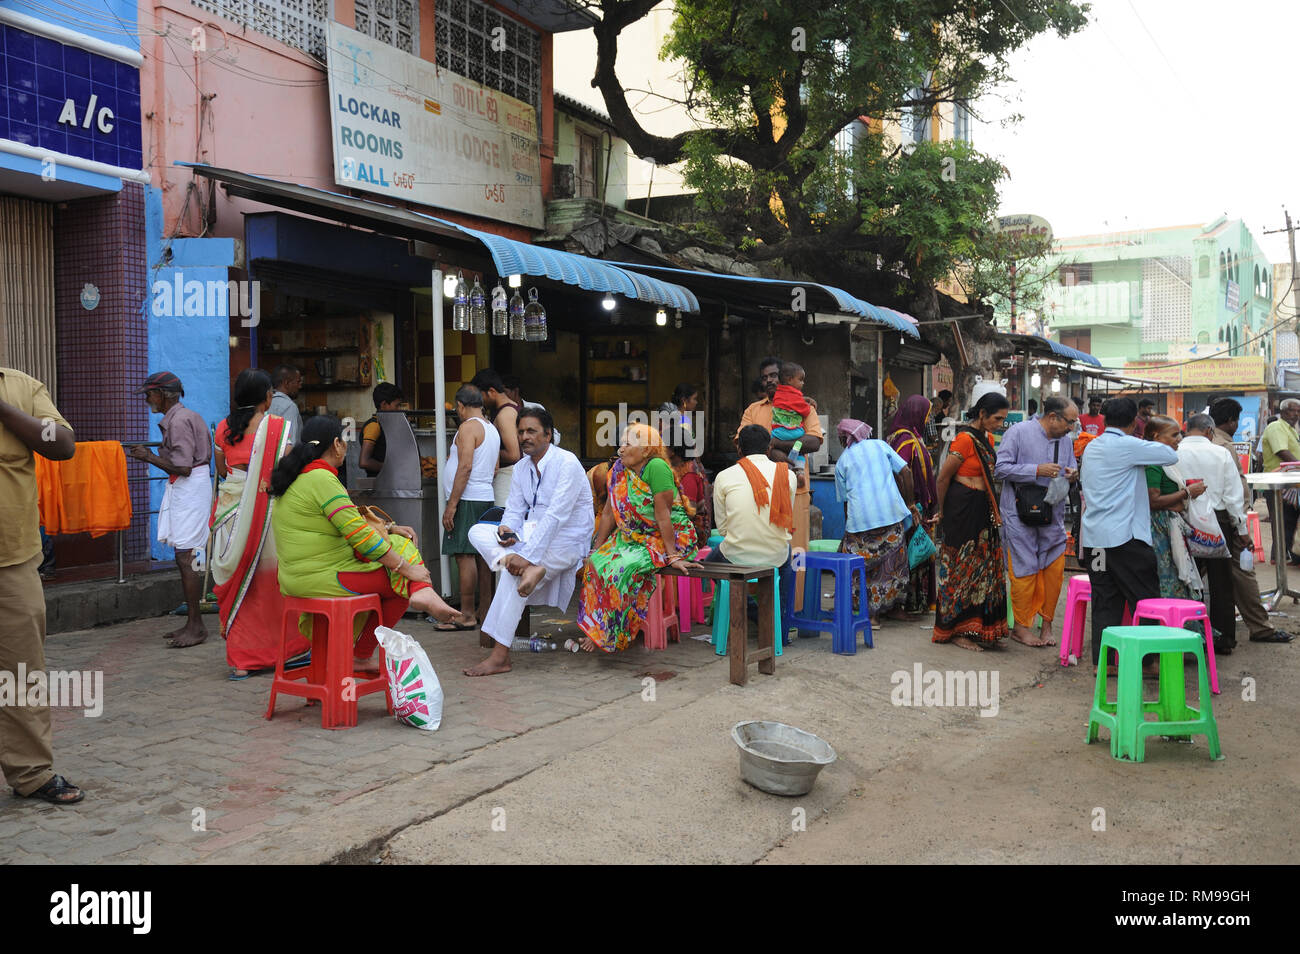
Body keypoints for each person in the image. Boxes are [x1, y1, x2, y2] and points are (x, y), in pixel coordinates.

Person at [270, 415, 458, 669]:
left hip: (297, 577)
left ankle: (420, 593)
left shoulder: (300, 477)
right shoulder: (322, 480)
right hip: (322, 577)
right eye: (344, 442)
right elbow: (362, 538)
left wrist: (389, 528)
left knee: (397, 545)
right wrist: (406, 568)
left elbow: (344, 522)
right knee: (400, 583)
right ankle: (363, 653)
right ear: (337, 444)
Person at [0, 367, 84, 805]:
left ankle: (31, 774)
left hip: (11, 562)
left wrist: (3, 410)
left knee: (20, 675)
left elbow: (63, 445)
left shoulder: (22, 387)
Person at [465, 408, 593, 675]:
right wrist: (507, 531)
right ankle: (518, 565)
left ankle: (500, 656)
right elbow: (513, 508)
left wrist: (528, 556)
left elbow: (557, 516)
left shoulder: (566, 463)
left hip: (565, 543)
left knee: (511, 579)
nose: (524, 437)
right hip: (531, 537)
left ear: (548, 434)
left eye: (531, 431)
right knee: (476, 531)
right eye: (521, 431)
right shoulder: (522, 467)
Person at [211, 369, 309, 679]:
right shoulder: (276, 429)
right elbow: (286, 471)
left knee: (239, 583)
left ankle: (241, 659)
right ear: (267, 397)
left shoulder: (223, 428)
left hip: (229, 514)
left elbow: (223, 470)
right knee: (269, 586)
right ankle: (283, 650)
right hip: (265, 514)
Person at [577, 423, 698, 652]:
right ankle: (598, 628)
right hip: (633, 536)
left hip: (667, 536)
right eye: (620, 443)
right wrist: (596, 548)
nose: (621, 449)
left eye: (628, 444)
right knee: (595, 564)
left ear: (646, 450)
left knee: (619, 569)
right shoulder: (617, 471)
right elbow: (608, 514)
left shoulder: (657, 468)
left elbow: (663, 516)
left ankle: (611, 633)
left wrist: (672, 555)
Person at [1080, 397, 1178, 672]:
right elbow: (1171, 455)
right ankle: (1148, 662)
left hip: (1095, 541)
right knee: (1146, 599)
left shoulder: (1093, 446)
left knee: (1104, 598)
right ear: (1135, 420)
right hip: (1125, 541)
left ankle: (1105, 662)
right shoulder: (1127, 445)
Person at [129, 371, 212, 649]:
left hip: (190, 486)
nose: (147, 400)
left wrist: (148, 456)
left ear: (162, 395)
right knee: (184, 556)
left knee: (185, 557)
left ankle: (197, 626)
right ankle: (193, 622)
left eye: (149, 394)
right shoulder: (185, 417)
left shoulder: (178, 421)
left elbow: (184, 467)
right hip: (192, 486)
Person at [1207, 398, 1295, 645]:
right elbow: (1232, 491)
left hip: (1212, 519)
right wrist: (1242, 526)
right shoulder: (1223, 445)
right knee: (1243, 574)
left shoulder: (1212, 441)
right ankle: (1260, 627)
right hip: (1229, 519)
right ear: (1232, 421)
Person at [994, 396, 1080, 647]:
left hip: (1052, 514)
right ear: (1053, 416)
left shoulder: (1065, 441)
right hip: (1019, 513)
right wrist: (1035, 470)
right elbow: (1000, 469)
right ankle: (1021, 627)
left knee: (1053, 569)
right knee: (1025, 568)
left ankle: (1047, 625)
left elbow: (1071, 467)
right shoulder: (1018, 433)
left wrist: (1072, 474)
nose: (1072, 427)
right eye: (1070, 421)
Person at [738, 356, 822, 605]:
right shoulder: (753, 410)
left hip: (795, 493)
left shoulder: (805, 407)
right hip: (759, 493)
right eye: (764, 378)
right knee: (760, 554)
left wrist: (779, 444)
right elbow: (742, 444)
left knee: (796, 553)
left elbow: (814, 442)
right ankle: (761, 612)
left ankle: (793, 607)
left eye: (773, 375)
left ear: (784, 378)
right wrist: (772, 449)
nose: (769, 381)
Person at [932, 392, 1011, 650]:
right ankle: (956, 631)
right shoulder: (965, 439)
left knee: (984, 569)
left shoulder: (986, 438)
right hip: (961, 509)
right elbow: (943, 478)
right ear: (982, 414)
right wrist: (941, 512)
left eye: (1003, 420)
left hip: (981, 509)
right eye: (997, 418)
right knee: (960, 568)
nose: (1000, 424)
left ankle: (981, 627)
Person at [707, 424, 797, 622]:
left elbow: (722, 529)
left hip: (736, 555)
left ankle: (754, 612)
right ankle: (779, 622)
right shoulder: (788, 475)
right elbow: (785, 519)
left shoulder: (723, 477)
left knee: (709, 563)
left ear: (739, 449)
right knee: (787, 554)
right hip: (776, 555)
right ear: (769, 448)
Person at [1179, 413, 1252, 654]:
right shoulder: (1220, 453)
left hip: (1184, 517)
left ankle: (1187, 635)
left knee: (1187, 579)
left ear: (1188, 430)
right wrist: (1241, 528)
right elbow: (1233, 496)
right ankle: (1222, 640)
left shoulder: (1174, 451)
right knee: (1221, 583)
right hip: (1218, 520)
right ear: (1210, 431)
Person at [835, 418, 915, 623]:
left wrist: (848, 528)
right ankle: (893, 608)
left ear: (845, 439)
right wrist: (910, 503)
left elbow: (845, 502)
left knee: (862, 568)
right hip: (890, 514)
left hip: (859, 522)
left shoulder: (842, 461)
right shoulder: (880, 445)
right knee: (895, 563)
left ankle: (870, 614)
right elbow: (906, 472)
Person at [439, 385, 500, 633]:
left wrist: (451, 506)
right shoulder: (491, 428)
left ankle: (465, 615)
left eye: (457, 408)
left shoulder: (467, 427)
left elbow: (465, 467)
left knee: (464, 556)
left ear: (461, 405)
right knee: (482, 558)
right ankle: (484, 612)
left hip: (466, 499)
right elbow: (495, 468)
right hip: (484, 497)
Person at [887, 395, 939, 614]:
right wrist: (909, 505)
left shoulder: (911, 437)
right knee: (913, 553)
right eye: (926, 415)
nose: (927, 420)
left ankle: (917, 601)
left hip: (917, 506)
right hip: (910, 509)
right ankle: (906, 603)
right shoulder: (904, 440)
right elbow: (901, 473)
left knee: (920, 551)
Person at [1143, 415, 1202, 603]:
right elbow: (1153, 500)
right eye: (1174, 435)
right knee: (1168, 576)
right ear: (1156, 436)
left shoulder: (1165, 461)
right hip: (1159, 529)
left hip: (1169, 525)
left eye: (1180, 434)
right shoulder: (1153, 462)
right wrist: (1187, 493)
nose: (1179, 439)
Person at [472, 369, 523, 506]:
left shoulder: (505, 415)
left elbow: (514, 455)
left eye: (480, 396)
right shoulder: (510, 409)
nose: (479, 401)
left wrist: (481, 451)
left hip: (507, 479)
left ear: (492, 392)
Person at [1260, 398, 1300, 564]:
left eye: (1298, 411)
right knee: (1282, 521)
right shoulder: (1277, 426)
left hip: (1291, 482)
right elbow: (1282, 451)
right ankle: (1279, 557)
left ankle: (1288, 556)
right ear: (1283, 411)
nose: (1296, 414)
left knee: (1290, 520)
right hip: (1279, 482)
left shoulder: (1291, 429)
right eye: (1292, 410)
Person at [667, 434, 711, 543]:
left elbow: (689, 512)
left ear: (672, 451)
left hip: (693, 534)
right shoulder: (678, 469)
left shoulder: (689, 475)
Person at [770, 362, 811, 475]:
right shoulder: (796, 395)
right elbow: (805, 411)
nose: (803, 383)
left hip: (778, 433)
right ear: (789, 380)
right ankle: (799, 470)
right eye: (801, 380)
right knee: (800, 450)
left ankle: (787, 469)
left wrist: (775, 443)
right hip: (795, 433)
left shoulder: (777, 394)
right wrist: (808, 404)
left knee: (770, 442)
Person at [359, 382, 404, 477]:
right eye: (397, 405)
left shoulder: (385, 424)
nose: (399, 409)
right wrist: (391, 468)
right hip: (379, 483)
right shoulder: (374, 426)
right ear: (384, 404)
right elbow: (364, 462)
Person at [269, 365, 302, 444]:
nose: (300, 386)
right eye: (298, 382)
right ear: (286, 383)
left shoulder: (265, 403)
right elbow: (290, 444)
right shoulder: (289, 407)